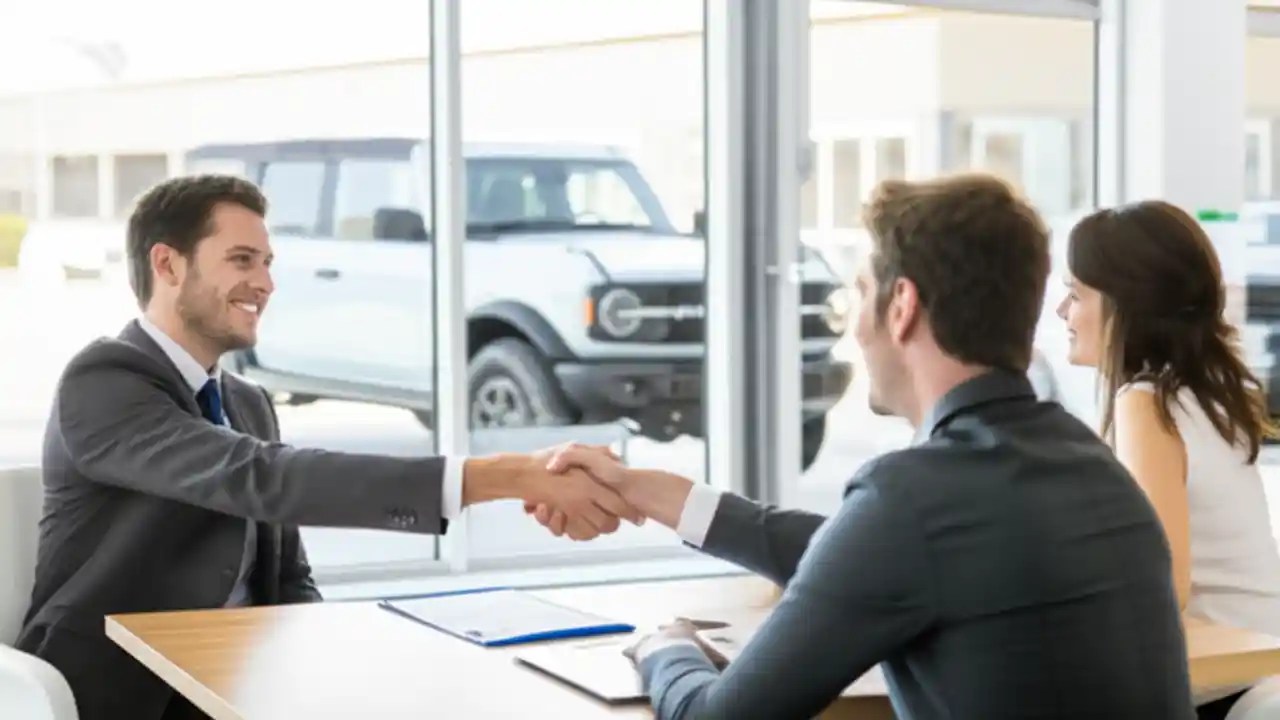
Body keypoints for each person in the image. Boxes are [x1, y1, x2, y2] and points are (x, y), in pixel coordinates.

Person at [534, 174, 1195, 719]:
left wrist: (666, 649)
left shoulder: (912, 500)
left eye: (859, 294)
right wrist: (658, 496)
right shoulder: (1088, 464)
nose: (853, 327)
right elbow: (866, 557)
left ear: (901, 305)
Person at [15, 174, 638, 720]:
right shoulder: (103, 381)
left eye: (267, 262)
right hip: (122, 692)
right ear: (168, 264)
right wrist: (508, 476)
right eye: (241, 260)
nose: (265, 283)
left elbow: (290, 575)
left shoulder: (249, 403)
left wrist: (322, 670)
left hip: (238, 683)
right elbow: (259, 476)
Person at [1057, 200, 1280, 720]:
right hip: (1259, 660)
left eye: (1074, 294)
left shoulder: (1145, 401)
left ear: (1124, 304)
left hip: (1230, 683)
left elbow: (1160, 582)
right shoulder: (1213, 393)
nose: (1062, 313)